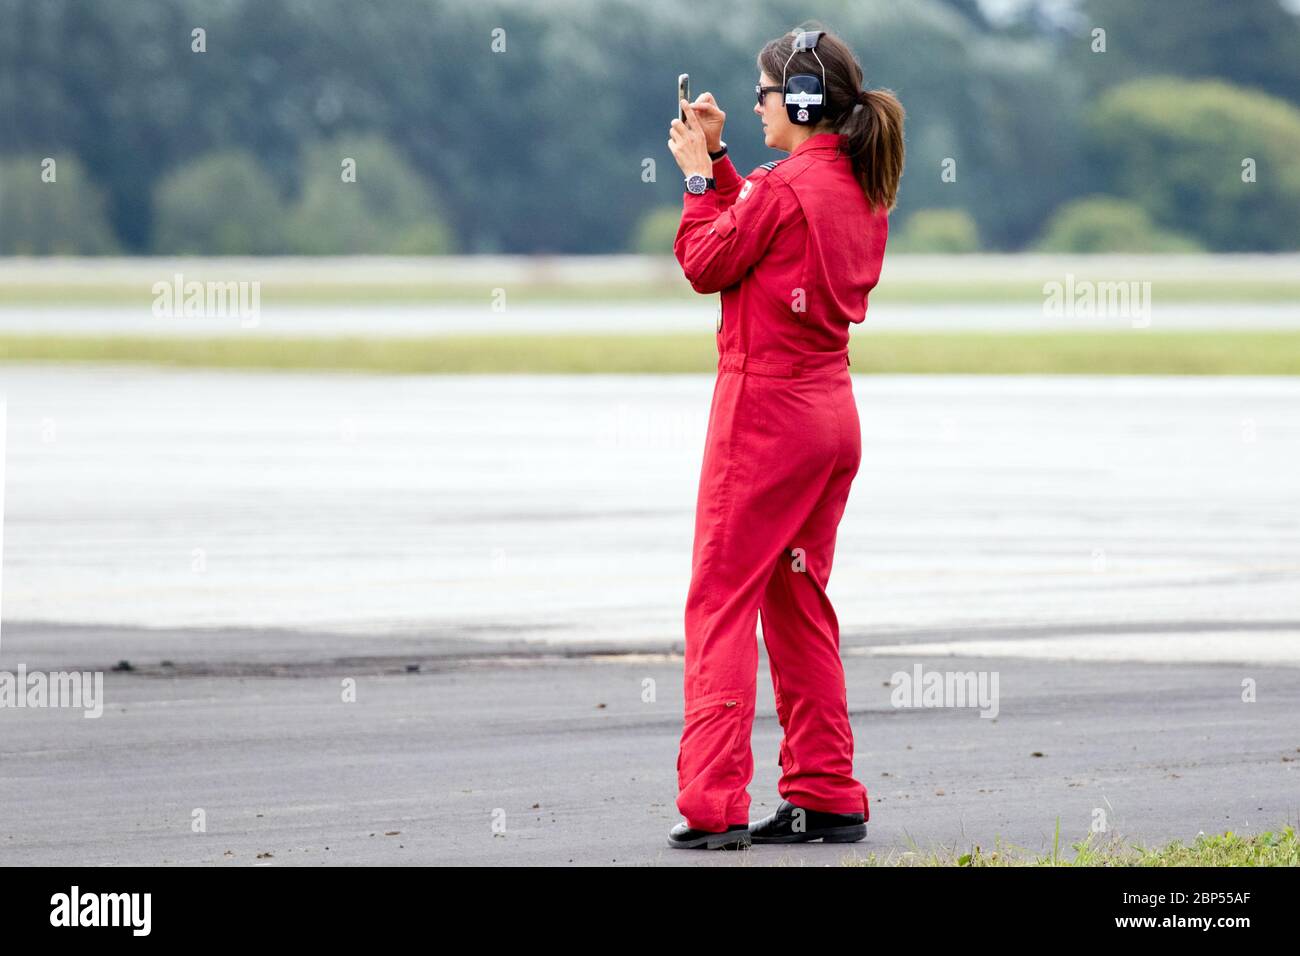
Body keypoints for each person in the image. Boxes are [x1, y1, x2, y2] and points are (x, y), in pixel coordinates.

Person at [664, 25, 905, 850]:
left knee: (721, 600)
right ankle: (826, 791)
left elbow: (707, 261)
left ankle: (713, 802)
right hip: (830, 416)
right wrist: (727, 164)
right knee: (798, 601)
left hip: (763, 415)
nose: (757, 105)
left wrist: (699, 177)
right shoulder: (855, 182)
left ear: (799, 101)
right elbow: (761, 234)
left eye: (764, 94)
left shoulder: (785, 183)